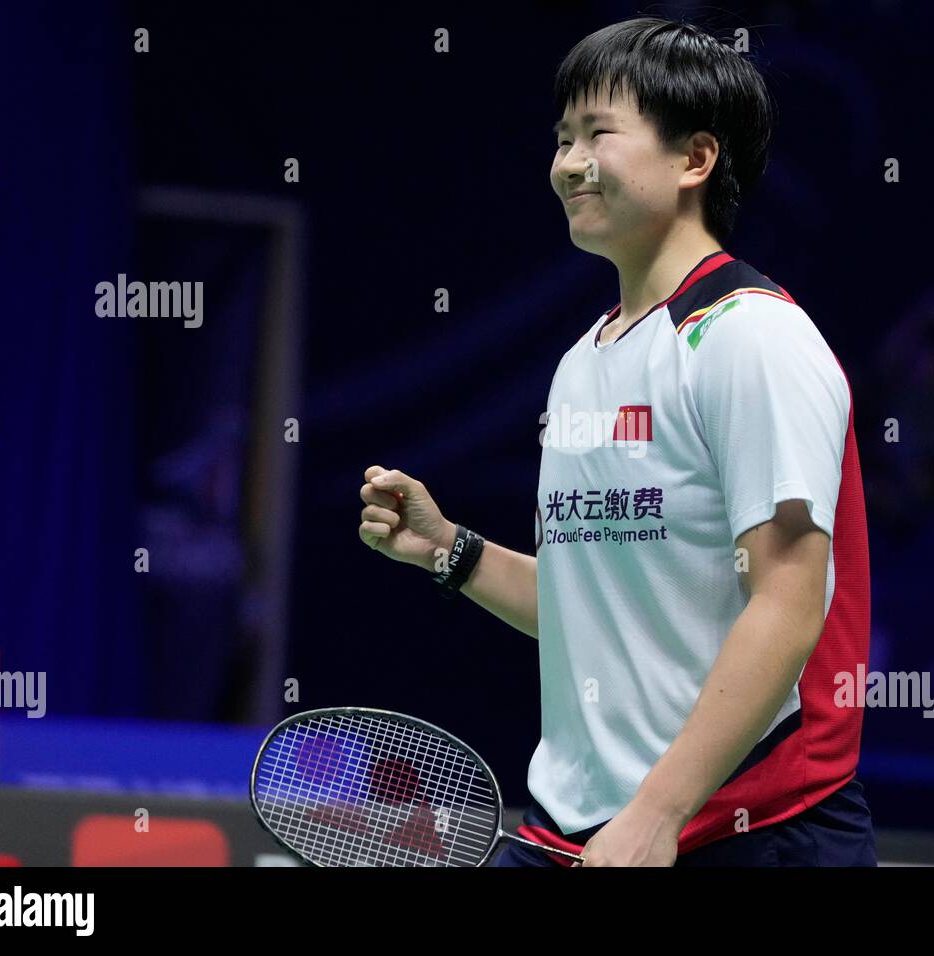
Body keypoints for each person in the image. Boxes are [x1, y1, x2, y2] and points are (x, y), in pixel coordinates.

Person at [359, 16, 875, 867]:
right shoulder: (582, 364)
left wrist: (659, 814)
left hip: (749, 829)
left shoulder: (751, 338)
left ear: (695, 160)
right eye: (562, 138)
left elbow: (789, 603)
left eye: (599, 134)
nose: (568, 164)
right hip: (581, 831)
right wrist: (452, 551)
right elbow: (591, 611)